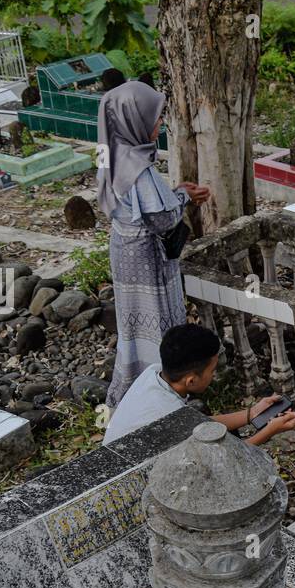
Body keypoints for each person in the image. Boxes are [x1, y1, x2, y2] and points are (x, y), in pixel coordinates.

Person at [97, 79, 212, 409]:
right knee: (157, 320)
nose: (159, 124)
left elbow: (138, 207)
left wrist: (175, 192)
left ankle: (130, 390)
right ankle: (163, 393)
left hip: (123, 250)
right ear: (134, 119)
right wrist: (184, 196)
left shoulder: (112, 156)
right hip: (147, 261)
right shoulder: (138, 169)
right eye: (156, 117)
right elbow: (161, 219)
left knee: (133, 325)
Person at [102, 324, 295, 447]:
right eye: (211, 371)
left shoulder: (153, 373)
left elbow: (199, 425)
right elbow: (227, 458)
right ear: (191, 380)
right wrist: (270, 430)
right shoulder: (172, 417)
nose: (214, 375)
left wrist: (253, 413)